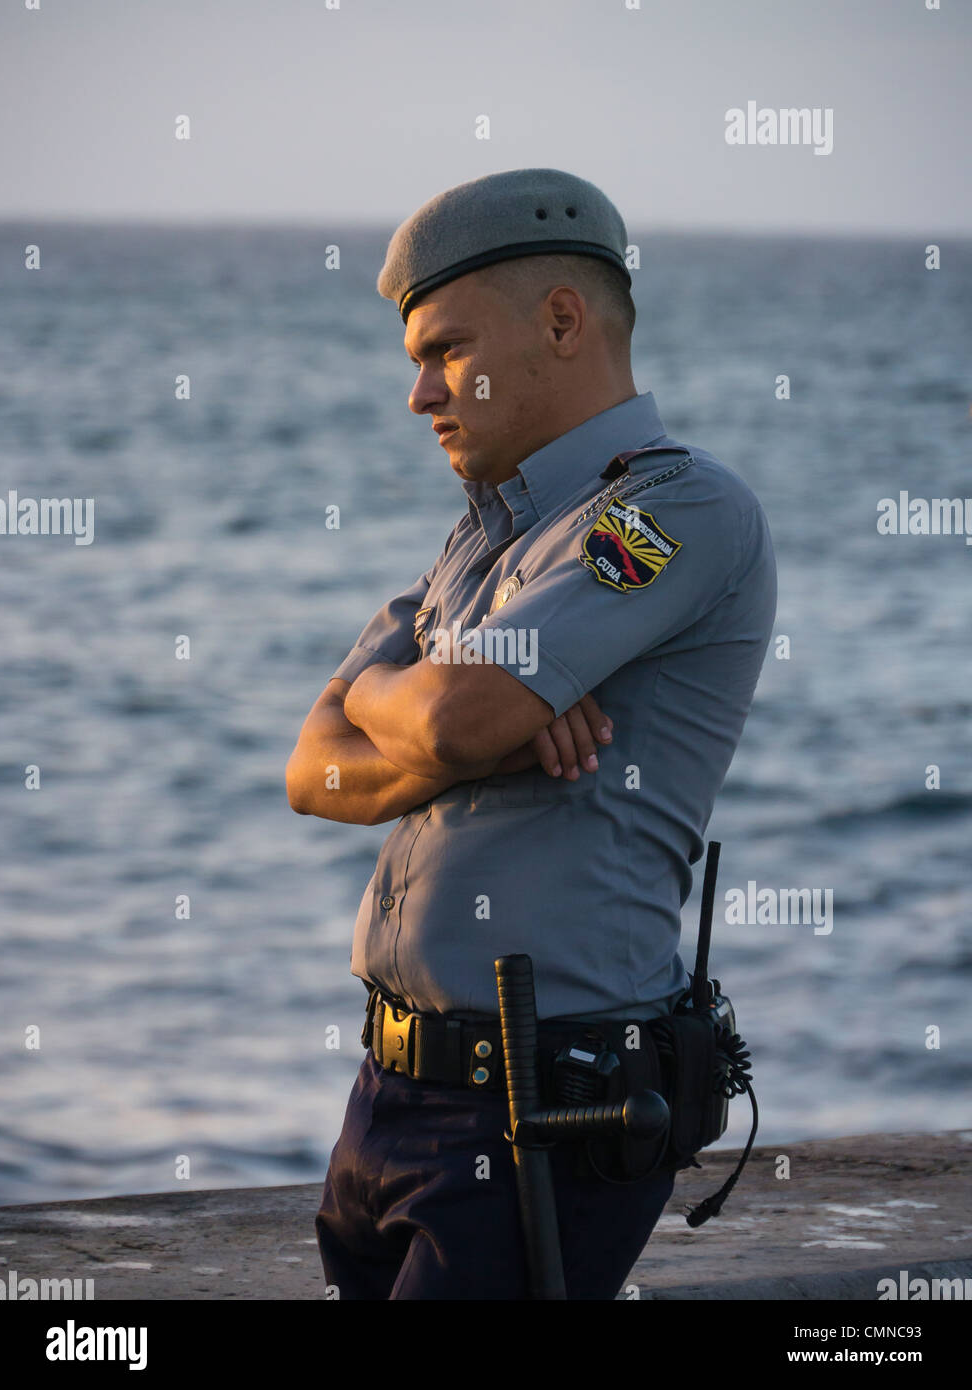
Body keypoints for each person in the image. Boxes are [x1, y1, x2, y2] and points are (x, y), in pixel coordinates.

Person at [286, 167, 777, 1299]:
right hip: (391, 1094)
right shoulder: (481, 541)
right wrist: (467, 732)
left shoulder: (672, 510)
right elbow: (311, 771)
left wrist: (412, 706)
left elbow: (452, 712)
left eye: (446, 350)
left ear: (561, 322)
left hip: (546, 1105)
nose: (418, 393)